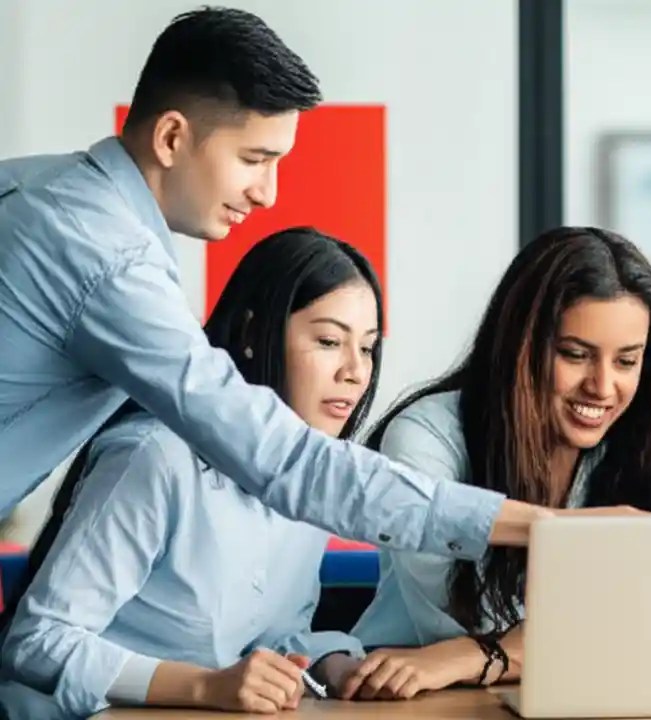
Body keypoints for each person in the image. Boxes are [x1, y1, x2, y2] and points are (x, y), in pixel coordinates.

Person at [0, 7, 546, 562]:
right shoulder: (109, 257)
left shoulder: (35, 185)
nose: (268, 194)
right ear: (170, 137)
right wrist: (543, 527)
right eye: (254, 159)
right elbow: (280, 457)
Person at [0, 228, 405, 717]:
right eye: (328, 341)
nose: (355, 372)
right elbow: (38, 642)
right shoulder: (155, 456)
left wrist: (332, 665)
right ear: (254, 334)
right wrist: (202, 686)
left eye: (367, 349)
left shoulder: (309, 474)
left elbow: (271, 635)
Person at [338, 227, 651, 701]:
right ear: (520, 344)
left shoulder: (639, 448)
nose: (603, 387)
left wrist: (482, 654)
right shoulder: (426, 436)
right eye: (575, 355)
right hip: (411, 701)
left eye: (627, 361)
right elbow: (461, 622)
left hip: (571, 698)